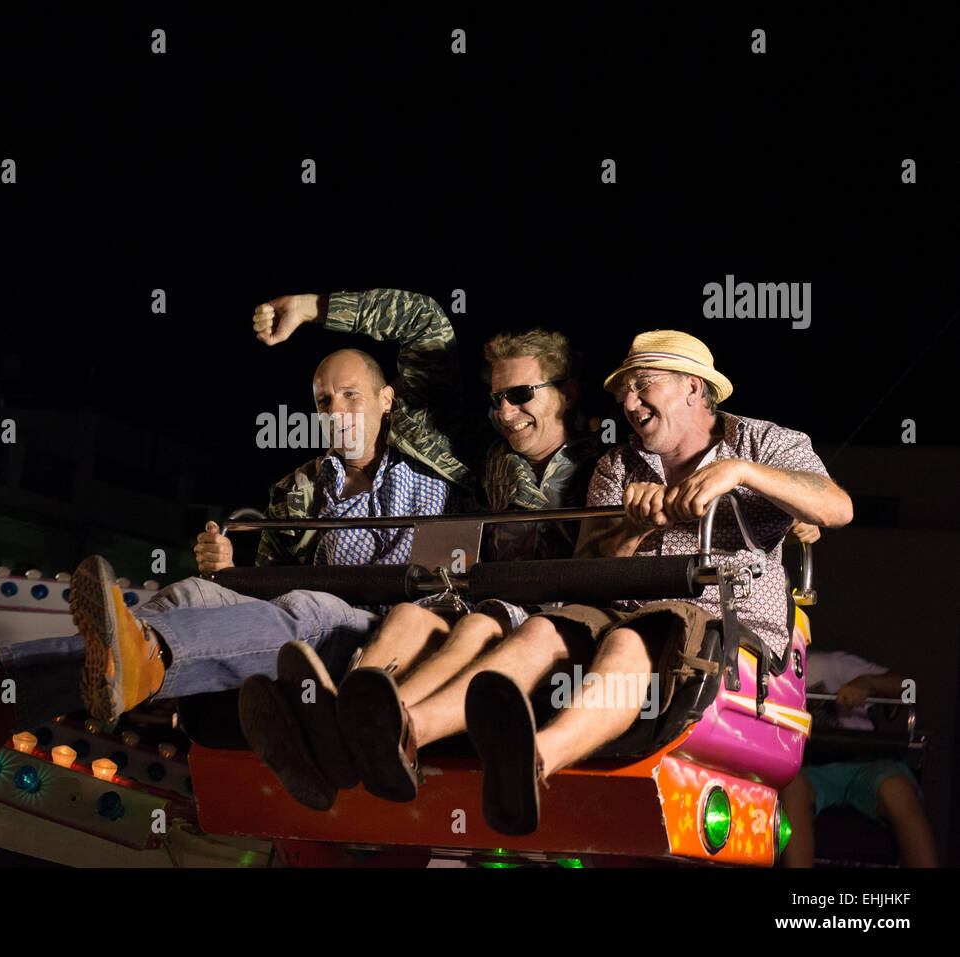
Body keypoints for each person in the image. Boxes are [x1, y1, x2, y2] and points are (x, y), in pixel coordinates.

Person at [0, 289, 479, 772]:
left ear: (388, 399)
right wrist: (230, 571)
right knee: (191, 593)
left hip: (393, 632)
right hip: (312, 619)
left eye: (351, 395)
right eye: (323, 400)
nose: (337, 410)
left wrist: (308, 308)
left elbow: (426, 320)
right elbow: (266, 586)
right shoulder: (297, 489)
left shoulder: (430, 445)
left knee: (308, 609)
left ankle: (102, 670)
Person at [336, 329, 854, 834]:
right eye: (623, 391)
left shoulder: (762, 441)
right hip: (623, 605)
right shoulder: (619, 463)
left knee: (632, 639)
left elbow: (837, 507)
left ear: (693, 387)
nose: (629, 403)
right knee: (543, 631)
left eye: (642, 385)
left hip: (722, 617)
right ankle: (403, 735)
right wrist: (632, 526)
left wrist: (739, 472)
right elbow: (587, 567)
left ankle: (533, 761)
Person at [239, 328, 604, 808]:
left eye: (520, 396)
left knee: (477, 626)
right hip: (483, 599)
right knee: (414, 615)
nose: (506, 413)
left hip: (555, 613)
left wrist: (312, 307)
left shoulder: (606, 461)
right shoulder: (492, 461)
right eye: (498, 400)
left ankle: (385, 731)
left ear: (568, 392)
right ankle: (339, 722)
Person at [780, 650, 937, 867]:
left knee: (897, 789)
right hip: (811, 769)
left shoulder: (829, 664)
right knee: (791, 786)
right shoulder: (772, 672)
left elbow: (911, 687)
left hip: (863, 763)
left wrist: (868, 683)